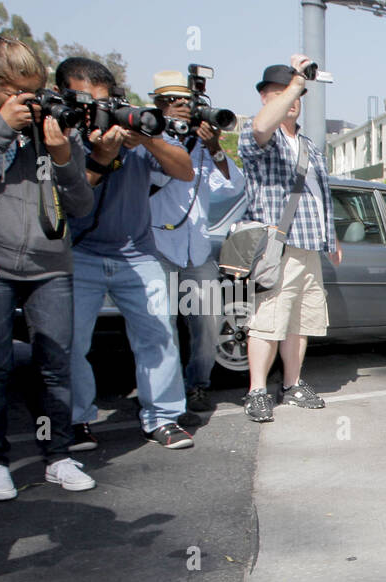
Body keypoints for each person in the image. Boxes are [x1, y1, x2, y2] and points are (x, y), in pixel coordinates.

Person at [59, 56, 196, 451]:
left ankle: (163, 418)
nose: (97, 114)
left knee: (158, 335)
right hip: (78, 253)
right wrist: (98, 155)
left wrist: (148, 139)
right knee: (71, 341)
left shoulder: (135, 132)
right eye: (87, 104)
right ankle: (76, 421)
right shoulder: (61, 136)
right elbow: (69, 197)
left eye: (104, 103)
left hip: (137, 254)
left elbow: (185, 170)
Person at [0, 38, 97, 498]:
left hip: (51, 264)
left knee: (55, 366)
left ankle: (57, 456)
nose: (33, 103)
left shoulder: (57, 128)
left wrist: (61, 157)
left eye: (36, 92)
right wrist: (1, 128)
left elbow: (79, 205)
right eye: (20, 92)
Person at [238, 56, 340, 423]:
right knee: (268, 320)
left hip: (309, 245)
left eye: (296, 93)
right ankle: (257, 390)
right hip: (276, 244)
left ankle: (292, 384)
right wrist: (297, 81)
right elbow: (261, 127)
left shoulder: (310, 145)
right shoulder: (259, 137)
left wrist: (332, 238)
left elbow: (319, 194)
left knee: (301, 321)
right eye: (279, 93)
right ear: (265, 98)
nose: (291, 99)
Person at [149, 69, 244, 412]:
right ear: (157, 105)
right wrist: (172, 136)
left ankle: (197, 386)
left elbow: (233, 186)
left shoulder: (202, 145)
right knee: (160, 329)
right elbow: (156, 174)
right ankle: (166, 397)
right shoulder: (149, 138)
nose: (180, 109)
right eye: (171, 103)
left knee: (206, 325)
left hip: (197, 251)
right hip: (156, 248)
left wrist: (215, 148)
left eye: (185, 103)